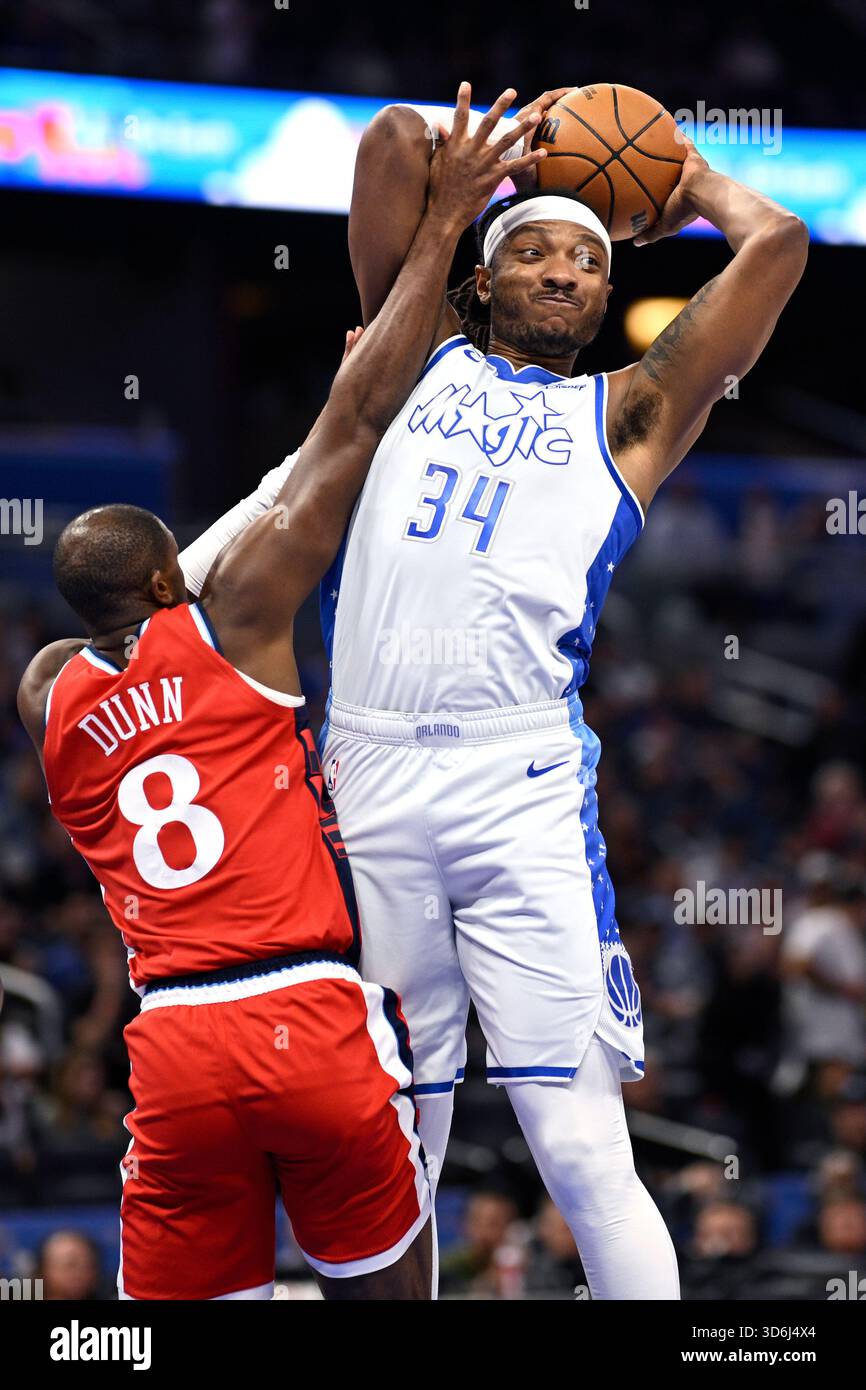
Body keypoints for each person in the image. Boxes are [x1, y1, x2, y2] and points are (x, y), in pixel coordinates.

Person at [176, 86, 808, 1300]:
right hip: (362, 779)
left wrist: (674, 184)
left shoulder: (626, 411)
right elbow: (390, 146)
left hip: (518, 788)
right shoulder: (404, 354)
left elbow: (774, 245)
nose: (563, 269)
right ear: (478, 274)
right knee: (386, 1142)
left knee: (577, 1142)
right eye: (533, 249)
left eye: (585, 256)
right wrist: (492, 173)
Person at [17, 84, 542, 1302]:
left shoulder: (47, 703)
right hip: (300, 1009)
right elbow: (357, 424)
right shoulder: (236, 627)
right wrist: (447, 215)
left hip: (173, 1047)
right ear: (172, 578)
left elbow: (101, 629)